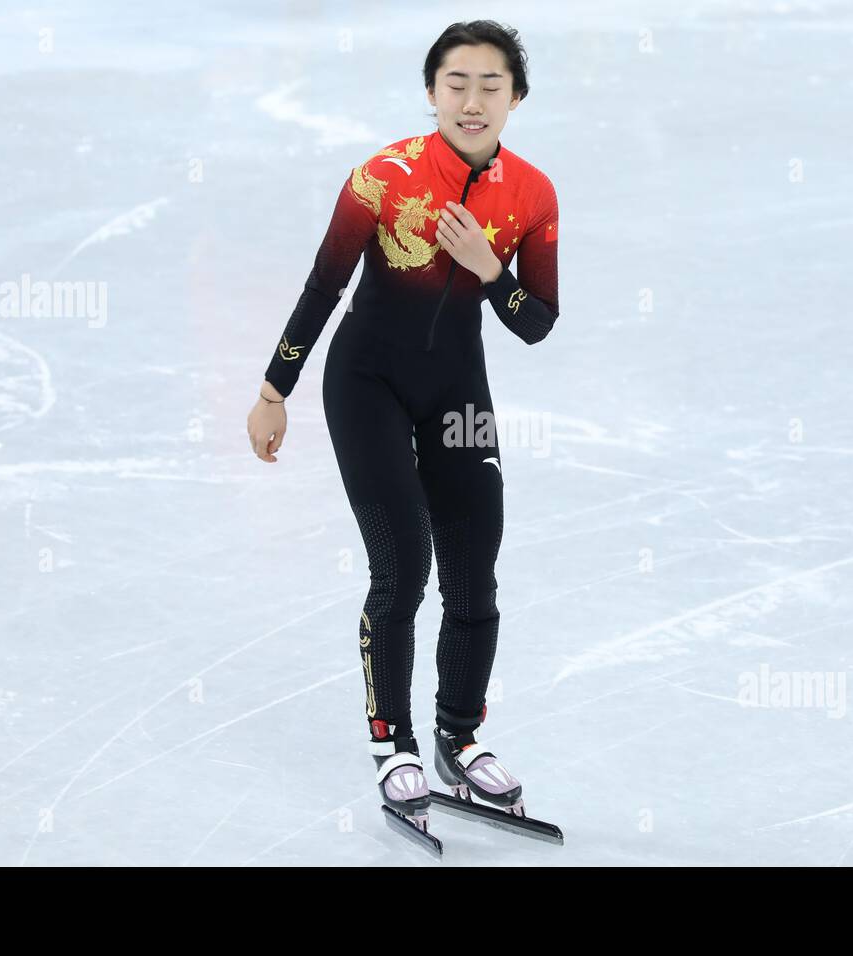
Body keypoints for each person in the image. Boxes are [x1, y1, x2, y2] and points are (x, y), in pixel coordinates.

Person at [246, 20, 559, 832]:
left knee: (474, 576)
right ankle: (394, 744)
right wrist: (275, 390)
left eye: (491, 84)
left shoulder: (532, 195)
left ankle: (460, 735)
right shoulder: (382, 179)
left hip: (457, 394)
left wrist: (491, 271)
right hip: (368, 385)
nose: (472, 99)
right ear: (431, 92)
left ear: (516, 99)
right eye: (457, 82)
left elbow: (537, 322)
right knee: (403, 570)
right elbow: (323, 285)